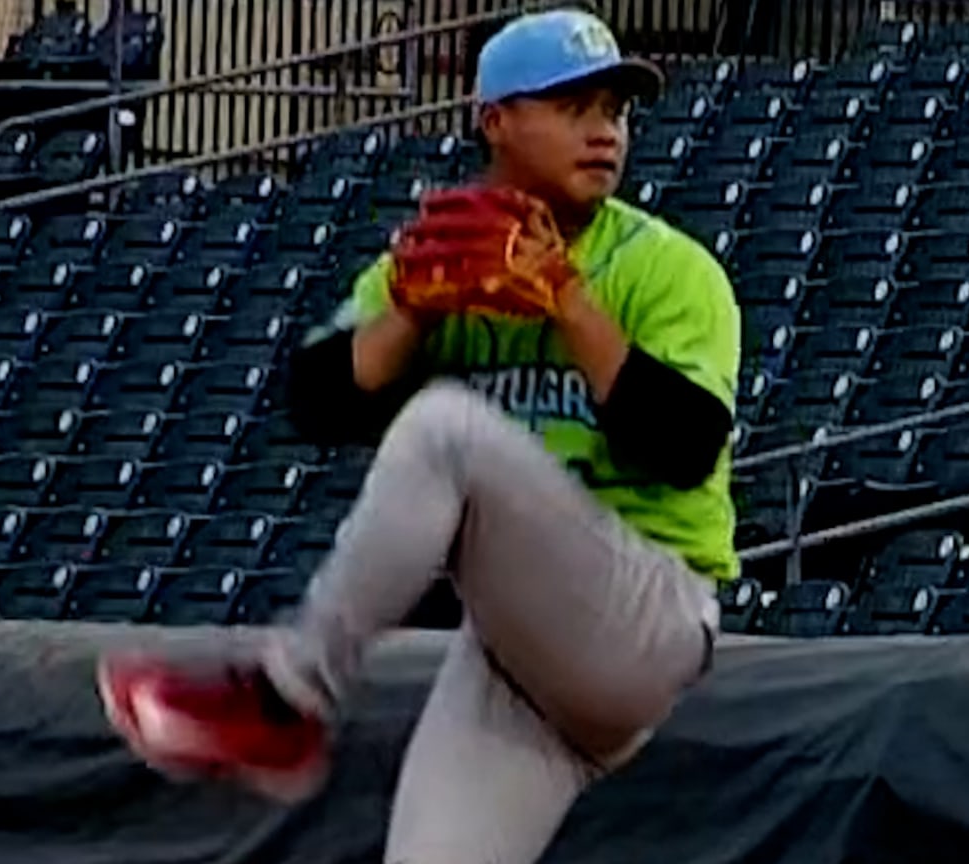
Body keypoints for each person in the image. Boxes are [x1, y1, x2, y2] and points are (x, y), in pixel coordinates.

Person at [96, 8, 741, 863]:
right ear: (496, 121)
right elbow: (316, 403)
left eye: (614, 109)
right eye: (573, 105)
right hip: (519, 659)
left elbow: (685, 445)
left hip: (649, 609)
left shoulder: (670, 269)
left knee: (445, 431)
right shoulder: (449, 252)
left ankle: (290, 696)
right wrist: (411, 308)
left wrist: (567, 301)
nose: (604, 131)